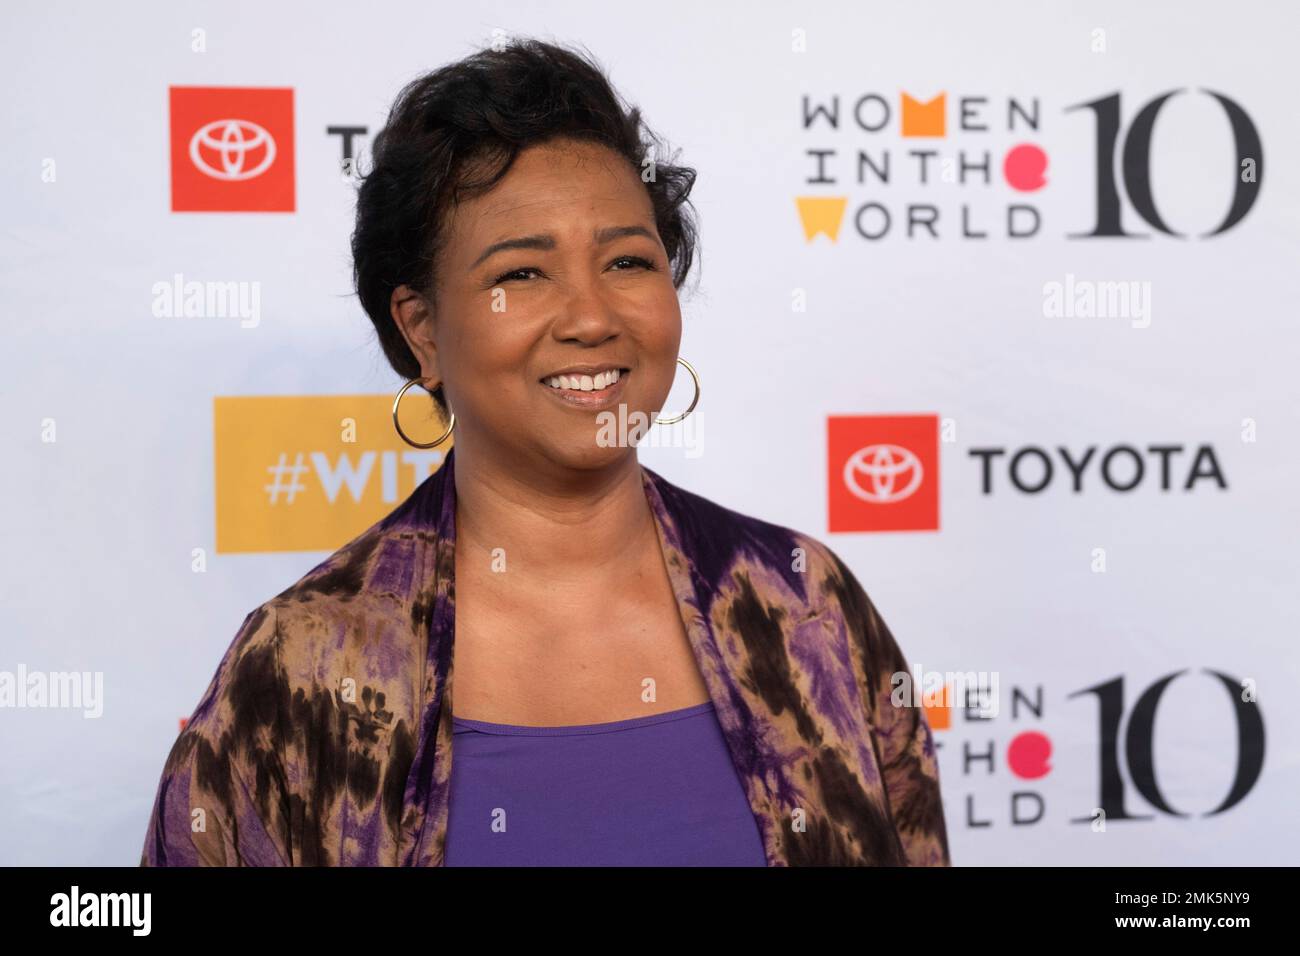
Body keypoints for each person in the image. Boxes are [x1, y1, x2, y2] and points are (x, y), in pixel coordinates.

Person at [140, 37, 950, 867]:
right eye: (523, 274)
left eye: (628, 261)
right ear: (422, 330)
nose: (592, 317)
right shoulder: (304, 665)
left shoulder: (802, 603)